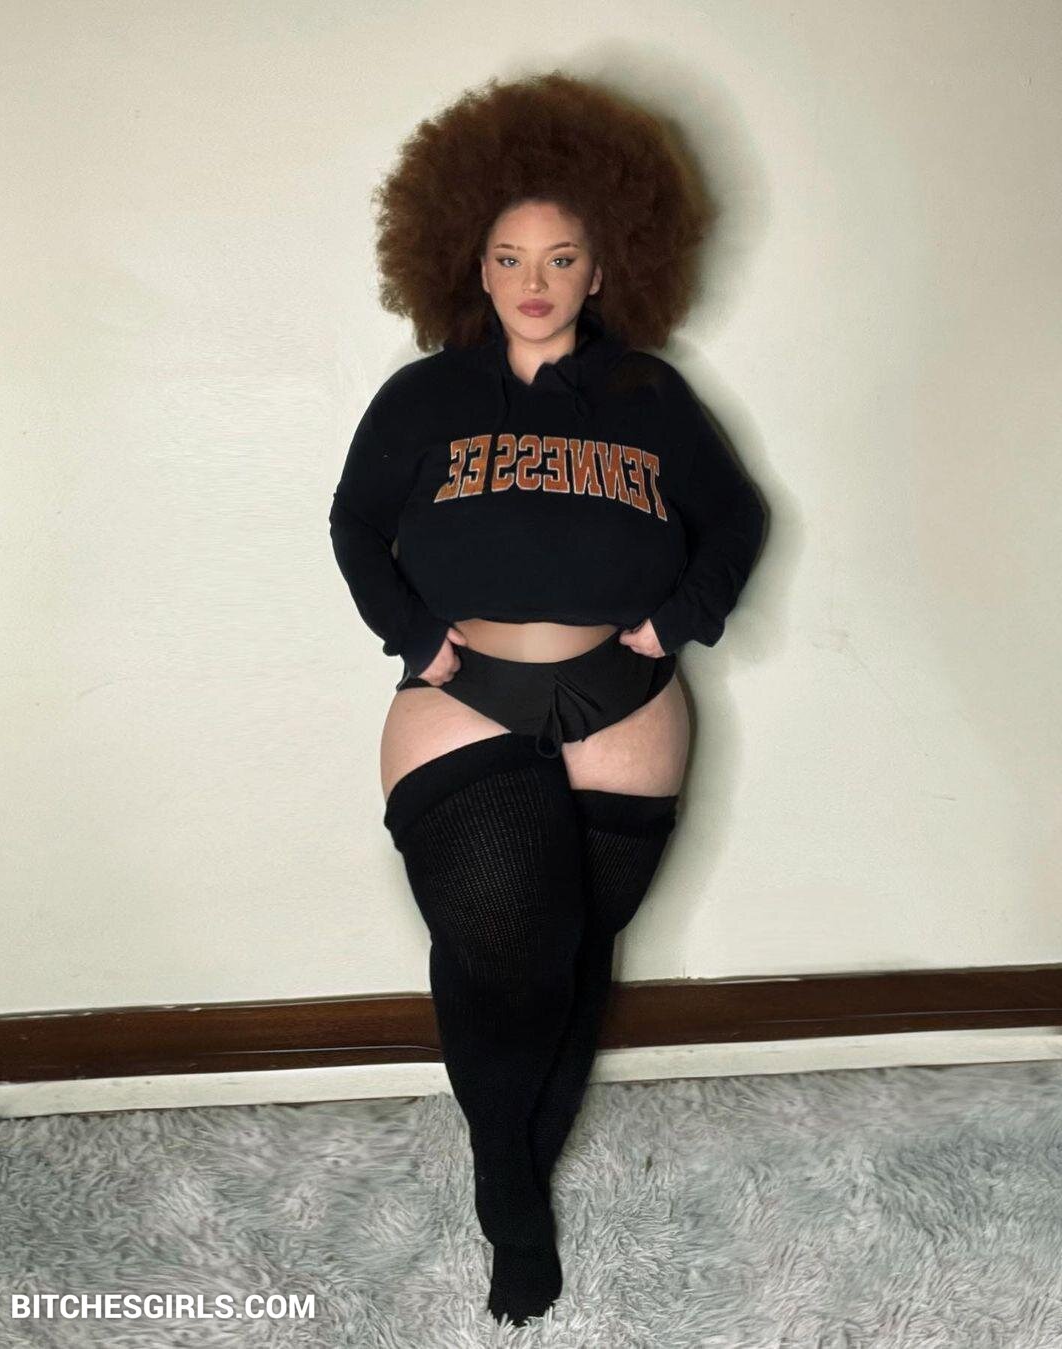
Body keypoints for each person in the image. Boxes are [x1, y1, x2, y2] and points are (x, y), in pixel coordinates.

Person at [329, 71, 766, 1328]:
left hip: (629, 697)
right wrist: (416, 636)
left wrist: (673, 622)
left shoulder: (648, 396)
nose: (535, 279)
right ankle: (509, 1186)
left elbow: (736, 518)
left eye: (562, 256)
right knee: (505, 955)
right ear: (471, 264)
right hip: (466, 696)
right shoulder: (425, 396)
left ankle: (518, 1152)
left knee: (577, 955)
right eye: (511, 256)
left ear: (603, 266)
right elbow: (354, 523)